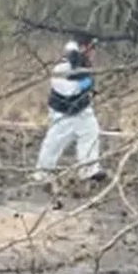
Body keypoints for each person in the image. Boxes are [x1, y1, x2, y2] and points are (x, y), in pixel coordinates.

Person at [32, 33, 107, 184]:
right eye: (92, 49)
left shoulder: (84, 66)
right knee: (53, 143)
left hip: (82, 110)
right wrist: (85, 83)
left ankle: (88, 169)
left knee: (90, 132)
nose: (94, 54)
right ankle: (43, 174)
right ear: (83, 48)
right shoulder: (62, 66)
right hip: (62, 113)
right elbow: (67, 90)